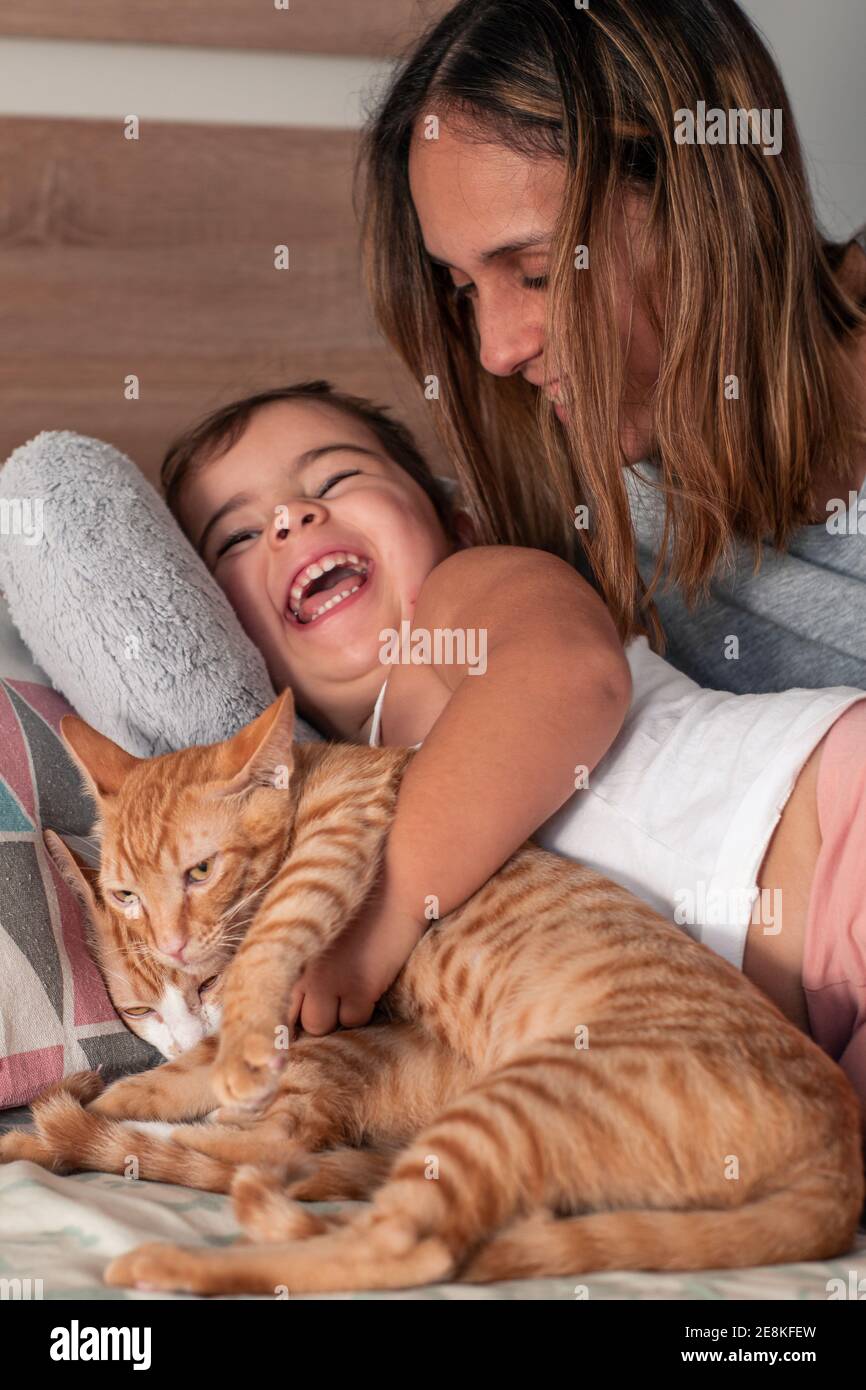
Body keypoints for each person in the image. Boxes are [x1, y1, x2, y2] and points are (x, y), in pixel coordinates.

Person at [160, 382, 866, 1114]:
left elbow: (569, 675)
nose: (290, 518)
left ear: (458, 528)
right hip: (798, 1033)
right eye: (237, 537)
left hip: (836, 834)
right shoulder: (314, 797)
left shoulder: (456, 605)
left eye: (334, 479)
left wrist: (382, 913)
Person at [358, 0, 866, 693]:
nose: (496, 352)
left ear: (711, 199)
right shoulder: (585, 492)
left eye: (537, 273)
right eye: (462, 287)